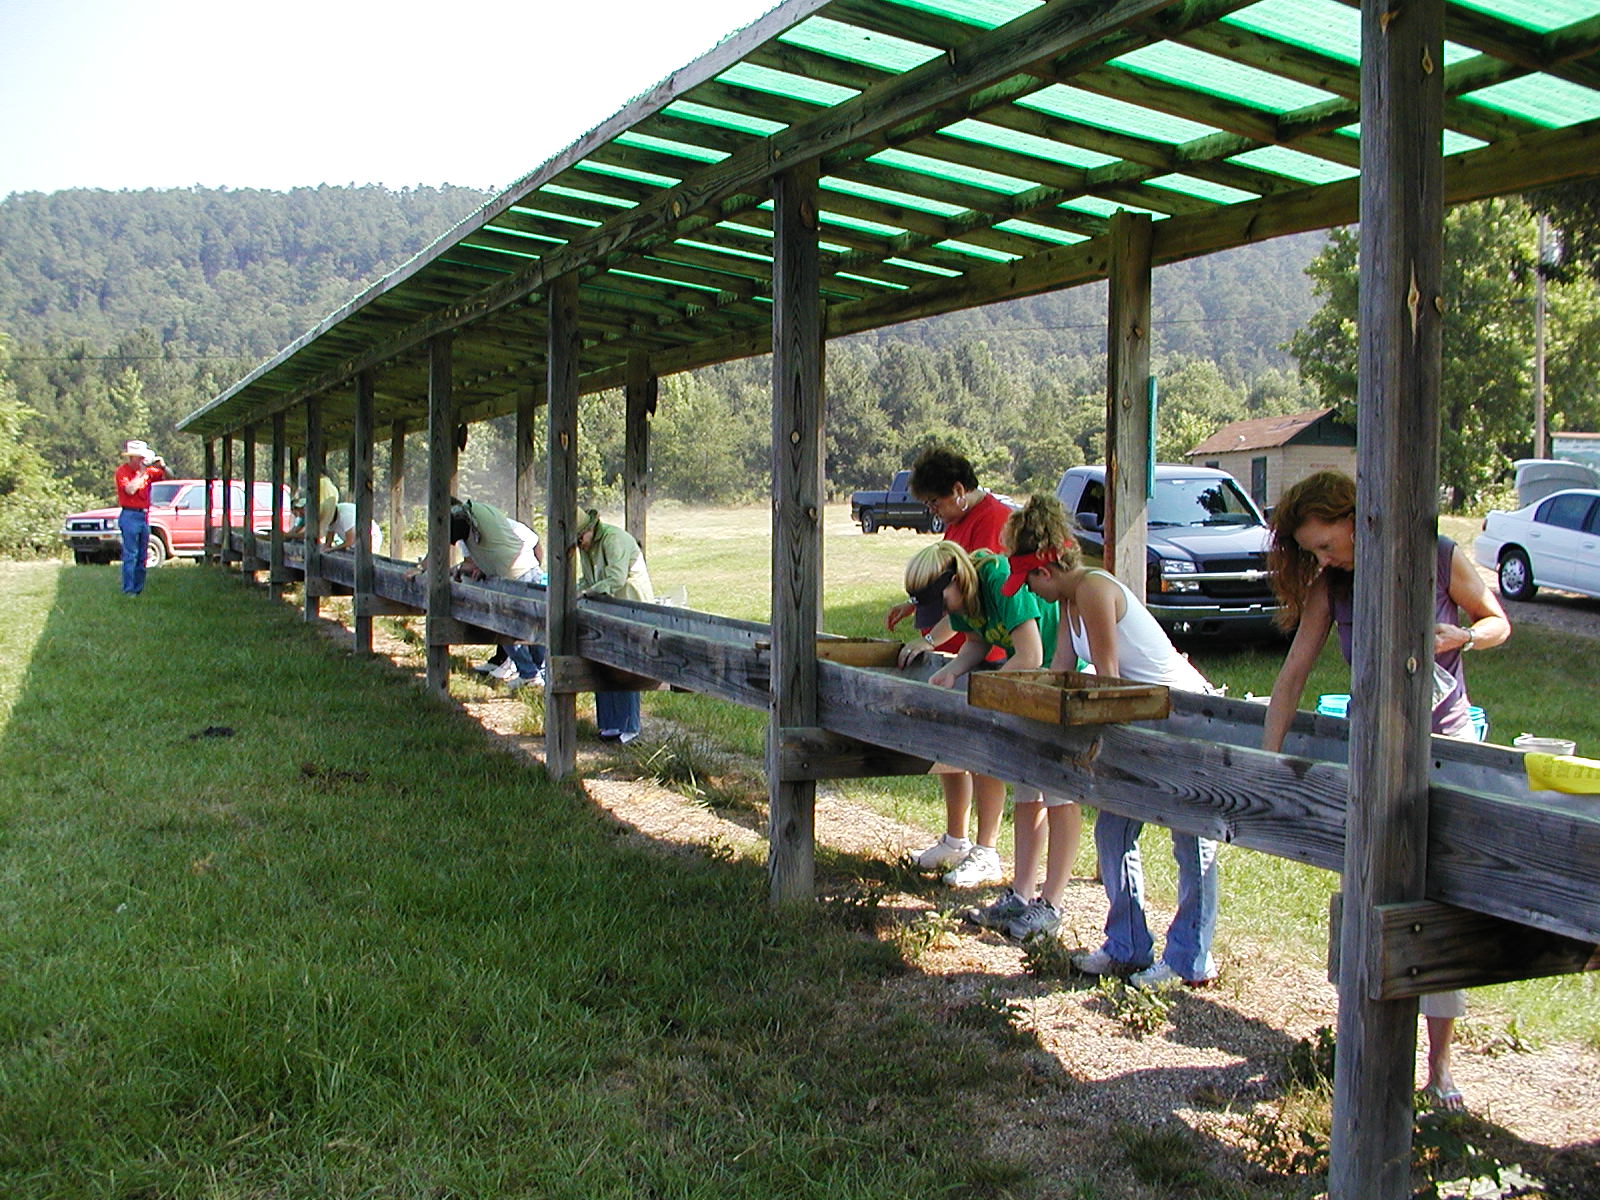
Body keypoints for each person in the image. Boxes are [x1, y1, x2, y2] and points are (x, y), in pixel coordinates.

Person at [1261, 470, 1510, 1111]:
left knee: (1437, 901)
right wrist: (1266, 760)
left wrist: (1463, 637)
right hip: (1375, 757)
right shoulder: (1332, 585)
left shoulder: (1438, 557)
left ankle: (1441, 1067)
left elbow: (1497, 623)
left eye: (1327, 544)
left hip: (1444, 750)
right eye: (1313, 552)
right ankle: (1366, 1044)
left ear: (1354, 517)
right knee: (1372, 897)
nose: (1324, 558)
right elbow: (1292, 674)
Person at [1002, 494, 1222, 987]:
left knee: (1191, 841)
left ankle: (1191, 959)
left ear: (1049, 566)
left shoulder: (1095, 591)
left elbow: (1108, 680)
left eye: (1032, 580)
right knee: (1113, 833)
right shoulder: (1067, 604)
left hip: (1179, 715)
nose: (1033, 593)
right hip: (1135, 716)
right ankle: (1127, 946)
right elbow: (1060, 671)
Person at [897, 540, 1077, 938]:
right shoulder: (966, 599)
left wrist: (986, 694)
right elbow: (977, 639)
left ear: (956, 579)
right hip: (1030, 687)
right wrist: (954, 671)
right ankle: (1022, 895)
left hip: (1060, 678)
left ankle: (1051, 904)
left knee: (1057, 795)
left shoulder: (995, 580)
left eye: (942, 603)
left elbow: (1029, 655)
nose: (944, 614)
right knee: (1027, 794)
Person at [885, 448, 1017, 887]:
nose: (934, 512)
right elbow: (945, 583)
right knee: (952, 748)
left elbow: (979, 596)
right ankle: (955, 839)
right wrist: (916, 605)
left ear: (958, 491)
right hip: (959, 652)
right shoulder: (957, 523)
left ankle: (987, 849)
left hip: (990, 653)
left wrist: (926, 639)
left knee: (984, 754)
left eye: (935, 503)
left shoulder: (993, 523)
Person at [575, 508, 654, 743]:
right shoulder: (586, 546)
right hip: (607, 608)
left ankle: (630, 726)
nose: (579, 545)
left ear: (589, 529)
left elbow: (616, 578)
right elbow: (589, 580)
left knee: (625, 665)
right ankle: (609, 724)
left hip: (632, 606)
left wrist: (587, 592)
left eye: (579, 539)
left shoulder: (613, 539)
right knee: (601, 662)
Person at [450, 499, 546, 690]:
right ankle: (538, 674)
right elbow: (484, 555)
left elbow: (534, 543)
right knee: (534, 626)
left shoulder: (510, 526)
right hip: (520, 572)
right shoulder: (483, 519)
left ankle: (530, 674)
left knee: (504, 626)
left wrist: (457, 568)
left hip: (515, 575)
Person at [114, 439, 166, 596]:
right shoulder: (122, 472)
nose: (143, 461)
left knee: (143, 555)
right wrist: (142, 473)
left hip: (143, 515)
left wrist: (162, 466)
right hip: (129, 514)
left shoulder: (149, 472)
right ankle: (129, 590)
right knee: (131, 554)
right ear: (131, 458)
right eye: (140, 458)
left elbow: (169, 476)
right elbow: (130, 489)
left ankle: (139, 588)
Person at [288, 472, 340, 544]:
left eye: (299, 509)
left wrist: (287, 536)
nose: (299, 513)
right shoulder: (332, 488)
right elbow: (298, 529)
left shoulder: (320, 485)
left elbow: (309, 532)